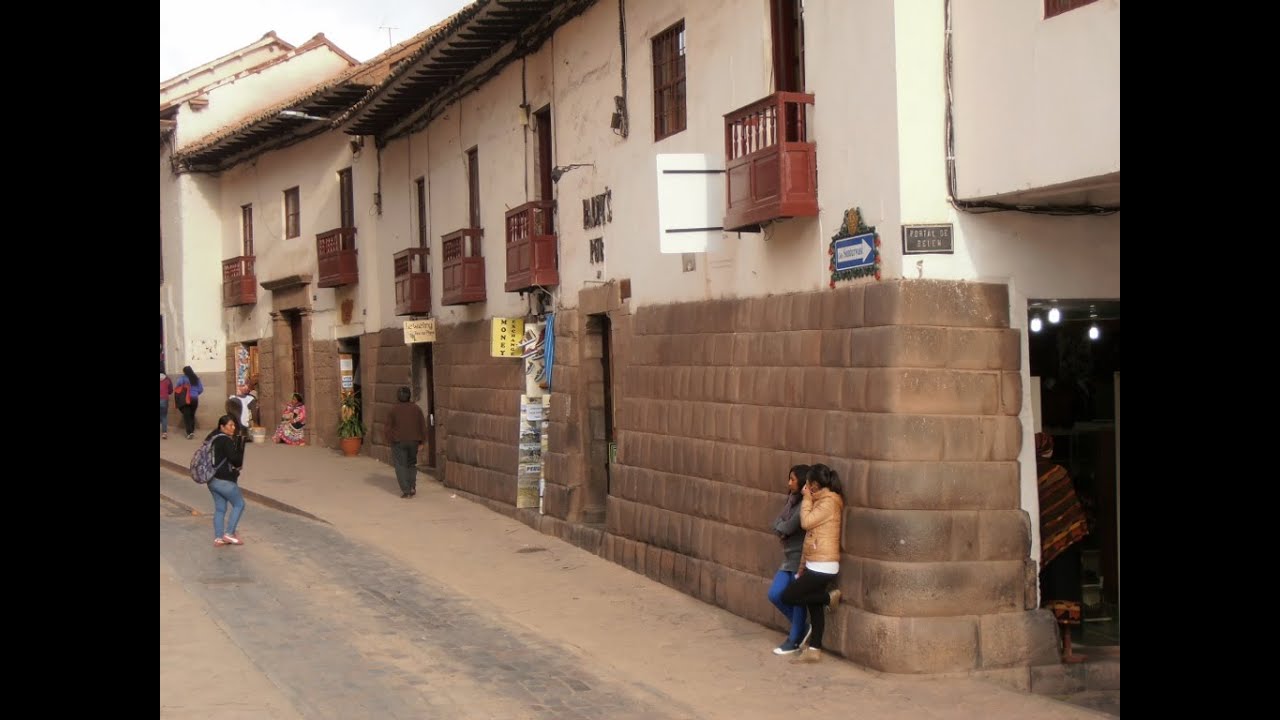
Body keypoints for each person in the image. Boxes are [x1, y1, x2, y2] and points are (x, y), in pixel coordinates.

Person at [780, 463, 845, 663]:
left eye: (808, 484)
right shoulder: (820, 500)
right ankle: (815, 648)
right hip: (815, 562)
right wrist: (801, 568)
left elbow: (806, 522)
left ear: (815, 485)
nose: (805, 487)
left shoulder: (829, 503)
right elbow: (809, 539)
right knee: (812, 606)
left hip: (824, 565)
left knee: (788, 595)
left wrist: (807, 498)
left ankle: (827, 598)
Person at [1034, 432, 1089, 639]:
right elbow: (1072, 511)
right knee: (1066, 594)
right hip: (1065, 547)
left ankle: (1053, 646)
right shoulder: (1058, 473)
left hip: (1044, 547)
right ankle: (1067, 648)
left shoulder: (1030, 476)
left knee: (1048, 595)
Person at [767, 464, 811, 655]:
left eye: (793, 479)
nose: (789, 483)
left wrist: (780, 527)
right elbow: (775, 524)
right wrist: (780, 526)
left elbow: (787, 528)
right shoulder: (791, 501)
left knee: (797, 598)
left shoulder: (804, 505)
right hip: (789, 557)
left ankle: (794, 639)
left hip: (800, 558)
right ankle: (801, 627)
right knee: (775, 594)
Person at [207, 414, 247, 547]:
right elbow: (235, 460)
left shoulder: (213, 438)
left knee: (220, 509)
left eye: (234, 425)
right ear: (222, 427)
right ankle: (229, 533)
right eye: (230, 425)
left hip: (211, 479)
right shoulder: (226, 440)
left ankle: (218, 538)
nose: (233, 428)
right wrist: (239, 451)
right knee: (239, 504)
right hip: (224, 480)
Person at [387, 386, 428, 498]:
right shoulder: (416, 409)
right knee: (411, 464)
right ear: (409, 396)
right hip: (414, 441)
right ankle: (412, 486)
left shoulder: (393, 409)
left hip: (398, 441)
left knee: (401, 465)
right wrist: (422, 442)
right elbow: (422, 426)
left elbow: (388, 427)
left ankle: (406, 490)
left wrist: (390, 440)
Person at [173, 366, 204, 439]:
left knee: (186, 416)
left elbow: (177, 386)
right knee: (192, 415)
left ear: (184, 372)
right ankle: (192, 431)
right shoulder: (196, 379)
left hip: (185, 399)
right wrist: (195, 393)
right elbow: (201, 389)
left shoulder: (183, 378)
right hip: (194, 399)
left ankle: (189, 433)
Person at [160, 371, 174, 440]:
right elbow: (171, 390)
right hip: (164, 399)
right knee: (164, 416)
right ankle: (164, 433)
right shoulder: (167, 379)